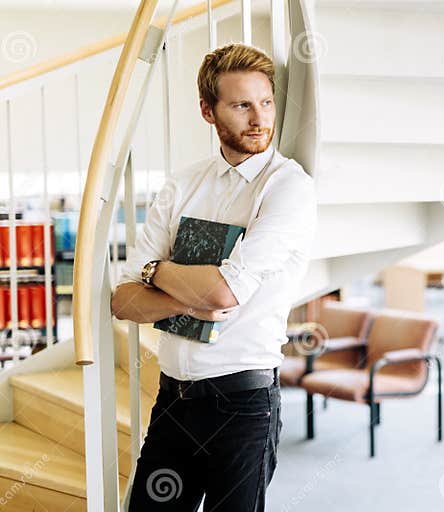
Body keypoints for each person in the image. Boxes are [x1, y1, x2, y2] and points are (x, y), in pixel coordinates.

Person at [111, 43, 317, 511]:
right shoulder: (181, 185)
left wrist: (157, 275)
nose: (259, 118)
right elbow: (123, 301)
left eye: (265, 103)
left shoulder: (289, 187)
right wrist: (184, 292)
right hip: (174, 401)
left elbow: (223, 292)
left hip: (243, 405)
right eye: (241, 105)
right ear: (208, 111)